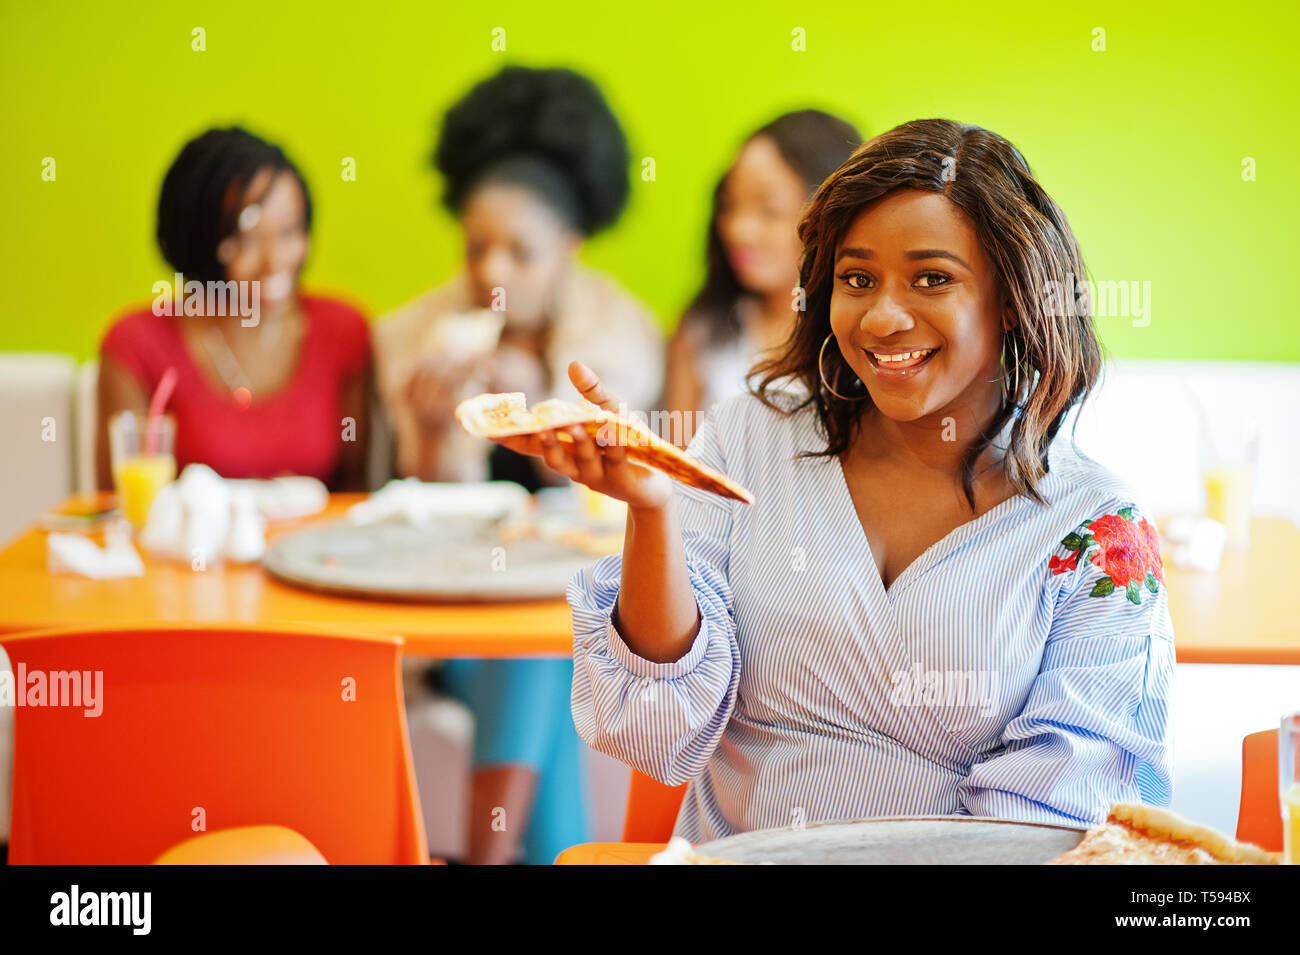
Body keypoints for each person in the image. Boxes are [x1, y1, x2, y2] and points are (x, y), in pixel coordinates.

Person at [492, 119, 1175, 843]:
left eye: (931, 278)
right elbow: (657, 730)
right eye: (857, 279)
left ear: (1011, 298)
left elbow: (1051, 828)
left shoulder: (1098, 533)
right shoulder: (746, 438)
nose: (883, 315)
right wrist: (653, 508)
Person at [374, 66, 663, 864]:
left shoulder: (620, 338)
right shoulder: (416, 340)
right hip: (457, 626)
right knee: (541, 646)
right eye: (477, 248)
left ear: (569, 247)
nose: (493, 272)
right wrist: (437, 436)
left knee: (550, 635)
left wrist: (549, 415)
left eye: (521, 252)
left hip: (575, 621)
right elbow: (414, 534)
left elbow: (625, 516)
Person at [97, 127, 372, 491]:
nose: (276, 260)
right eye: (248, 240)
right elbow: (117, 507)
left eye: (290, 232)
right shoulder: (136, 344)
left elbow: (354, 495)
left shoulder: (342, 331)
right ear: (198, 239)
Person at [661, 110, 860, 446]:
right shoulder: (703, 327)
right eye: (729, 205)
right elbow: (678, 458)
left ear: (830, 214)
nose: (739, 230)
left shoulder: (858, 332)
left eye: (769, 210)